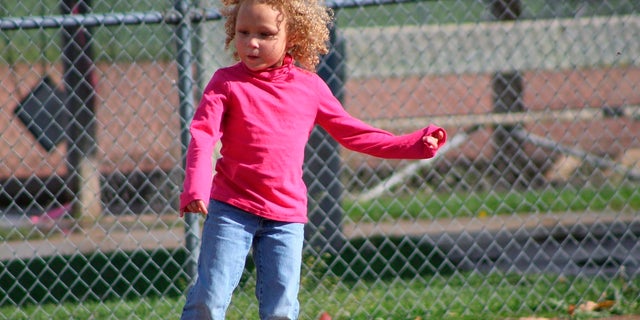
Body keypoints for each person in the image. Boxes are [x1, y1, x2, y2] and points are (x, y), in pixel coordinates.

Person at [179, 0, 447, 318]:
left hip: (285, 216)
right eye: (243, 31)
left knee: (281, 307)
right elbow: (203, 134)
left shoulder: (309, 88)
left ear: (292, 36)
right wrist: (196, 186)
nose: (251, 42)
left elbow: (355, 134)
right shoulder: (226, 83)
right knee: (208, 299)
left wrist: (415, 144)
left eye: (265, 34)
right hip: (231, 208)